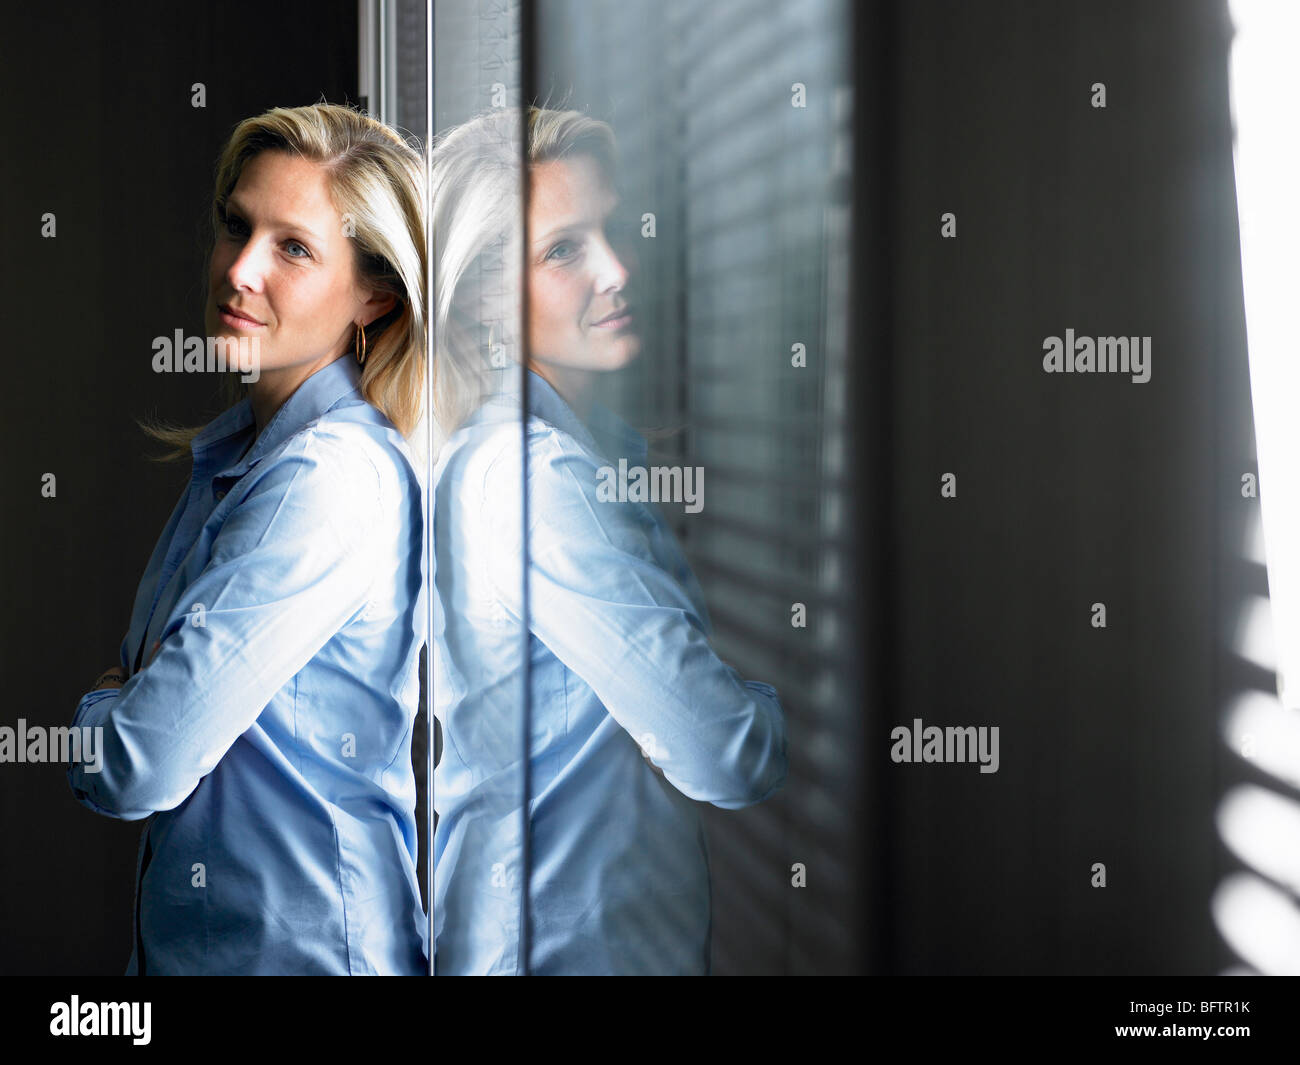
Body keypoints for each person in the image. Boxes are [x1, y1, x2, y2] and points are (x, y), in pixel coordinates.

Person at [66, 102, 430, 975]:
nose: (239, 270)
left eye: (293, 247)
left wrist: (98, 706)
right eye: (237, 226)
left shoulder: (328, 478)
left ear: (373, 293)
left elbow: (134, 761)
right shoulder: (240, 456)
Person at [428, 106, 788, 975]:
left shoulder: (585, 454)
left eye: (611, 230)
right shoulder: (530, 478)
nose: (618, 268)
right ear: (482, 298)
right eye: (564, 249)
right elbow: (724, 750)